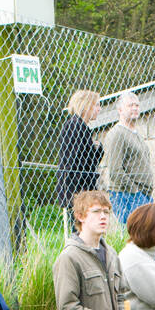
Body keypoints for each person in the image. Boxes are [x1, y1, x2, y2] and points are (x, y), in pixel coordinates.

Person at [103, 91, 153, 224]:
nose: (135, 108)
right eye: (130, 105)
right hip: (126, 194)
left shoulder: (136, 134)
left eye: (137, 105)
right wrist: (135, 191)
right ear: (120, 110)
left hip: (144, 194)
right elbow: (115, 170)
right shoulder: (117, 133)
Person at [55, 89, 103, 222]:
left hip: (83, 188)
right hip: (77, 190)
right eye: (96, 105)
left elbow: (89, 161)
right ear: (86, 106)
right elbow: (74, 162)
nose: (99, 109)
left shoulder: (82, 127)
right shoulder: (75, 126)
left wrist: (97, 149)